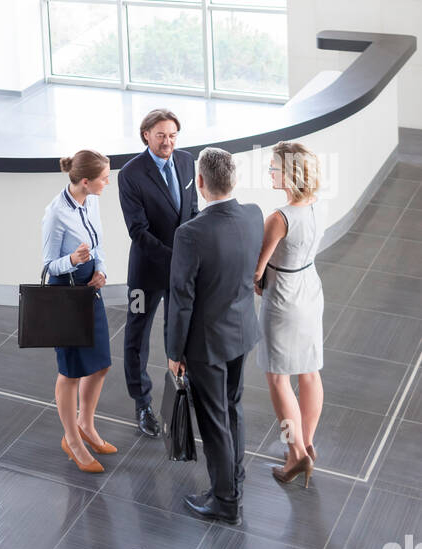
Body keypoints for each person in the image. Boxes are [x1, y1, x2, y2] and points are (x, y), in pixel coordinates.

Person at [166, 146, 263, 526]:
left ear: (201, 184)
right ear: (233, 179)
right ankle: (233, 479)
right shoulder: (254, 215)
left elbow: (181, 299)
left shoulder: (190, 234)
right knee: (233, 407)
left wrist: (174, 350)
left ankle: (225, 501)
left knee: (214, 419)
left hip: (206, 344)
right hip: (241, 332)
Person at [118, 108, 197, 436]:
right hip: (147, 271)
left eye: (173, 135)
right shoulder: (130, 174)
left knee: (178, 330)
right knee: (137, 335)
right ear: (146, 135)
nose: (169, 142)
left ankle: (180, 388)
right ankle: (142, 403)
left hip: (182, 268)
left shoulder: (187, 161)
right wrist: (175, 258)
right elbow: (138, 231)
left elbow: (192, 210)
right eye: (162, 135)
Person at [255, 141, 327, 489]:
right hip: (310, 289)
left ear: (289, 172)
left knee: (277, 379)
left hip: (283, 298)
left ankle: (294, 452)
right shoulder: (317, 205)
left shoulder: (278, 218)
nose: (270, 172)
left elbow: (258, 269)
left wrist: (255, 281)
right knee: (309, 372)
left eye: (273, 167)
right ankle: (306, 443)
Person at [42, 150, 116, 474]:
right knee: (70, 371)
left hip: (90, 289)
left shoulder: (93, 201)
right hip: (66, 294)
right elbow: (48, 265)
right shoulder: (55, 214)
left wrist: (100, 268)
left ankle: (85, 424)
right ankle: (71, 439)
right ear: (86, 181)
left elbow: (98, 245)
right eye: (104, 177)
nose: (108, 181)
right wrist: (72, 260)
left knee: (100, 364)